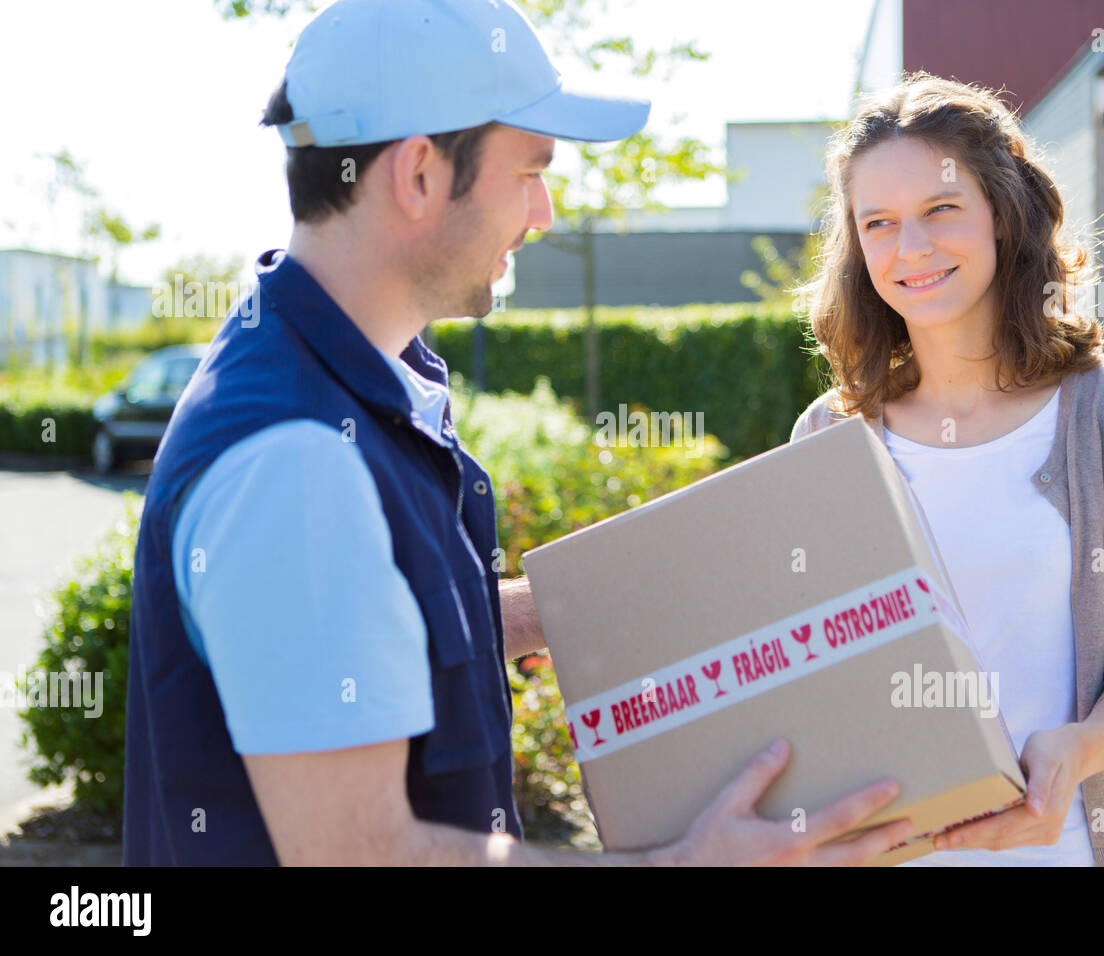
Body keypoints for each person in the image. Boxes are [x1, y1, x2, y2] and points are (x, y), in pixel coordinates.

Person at [122, 0, 913, 866]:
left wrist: (630, 599)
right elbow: (361, 851)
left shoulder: (362, 378)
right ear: (419, 173)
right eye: (530, 171)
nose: (542, 214)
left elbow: (389, 621)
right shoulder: (295, 458)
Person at [790, 71, 1104, 866]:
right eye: (879, 222)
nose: (911, 248)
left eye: (941, 209)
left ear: (1003, 216)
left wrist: (1076, 749)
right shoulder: (826, 437)